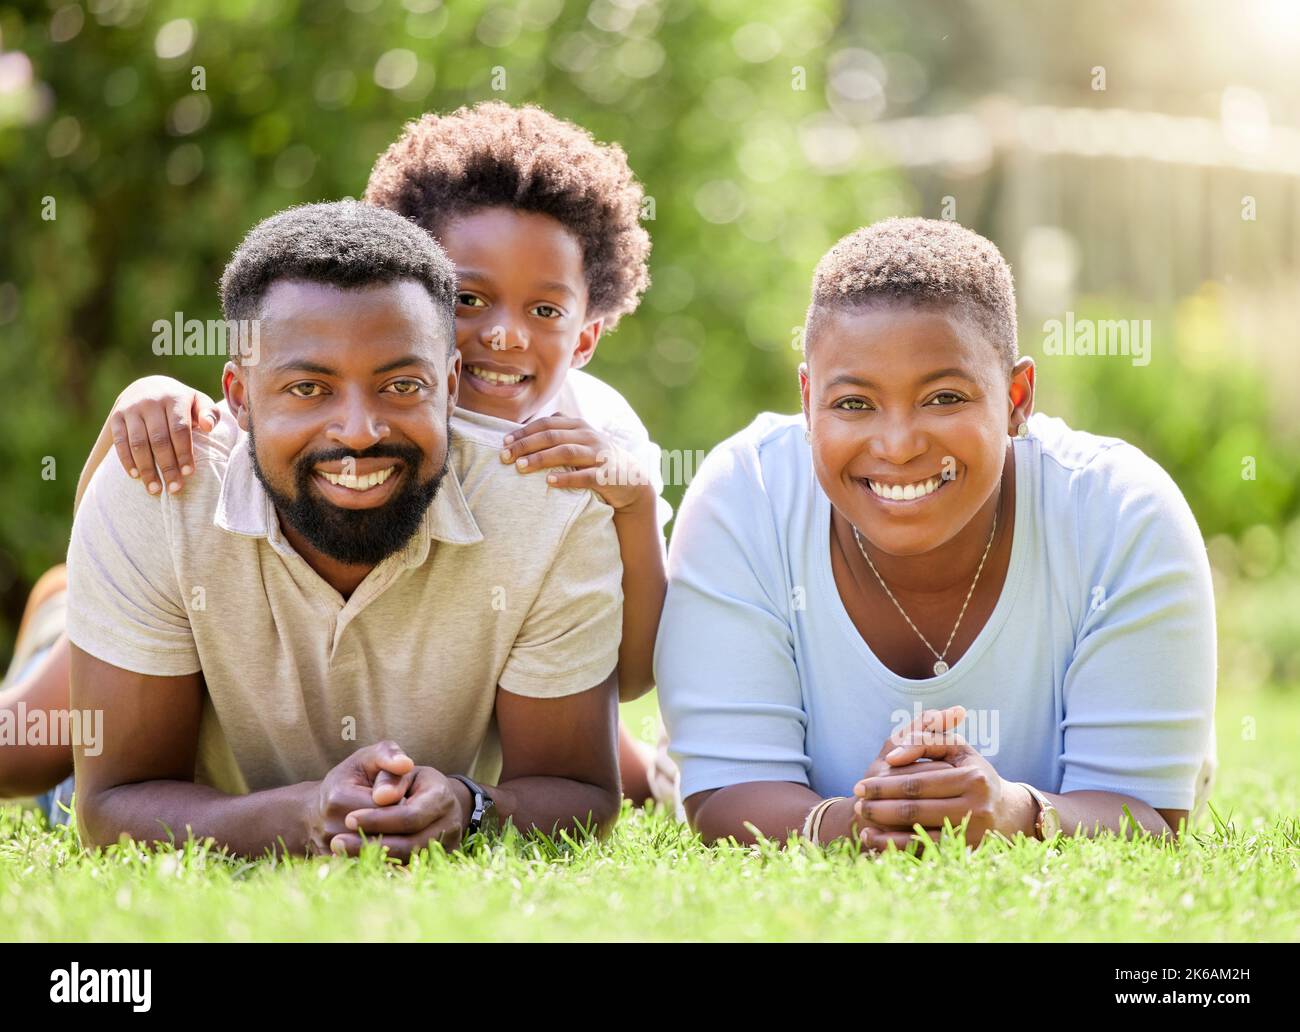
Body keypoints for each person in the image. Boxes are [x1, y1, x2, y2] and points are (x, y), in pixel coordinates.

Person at [1, 102, 678, 815]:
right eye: (470, 298)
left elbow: (622, 682)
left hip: (473, 656)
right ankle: (61, 618)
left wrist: (632, 506)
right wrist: (144, 395)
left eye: (544, 311)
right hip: (218, 674)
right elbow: (142, 505)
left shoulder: (588, 442)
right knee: (33, 745)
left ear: (584, 335)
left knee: (612, 764)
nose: (503, 337)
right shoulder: (316, 392)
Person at [61, 200, 625, 858]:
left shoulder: (550, 508)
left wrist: (473, 809)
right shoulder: (159, 484)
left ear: (448, 386)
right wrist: (301, 817)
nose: (359, 431)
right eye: (308, 389)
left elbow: (577, 790)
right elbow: (111, 804)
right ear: (239, 398)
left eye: (401, 385)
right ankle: (52, 613)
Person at [654, 217, 1217, 851]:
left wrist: (1016, 813)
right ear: (807, 400)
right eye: (854, 404)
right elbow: (725, 793)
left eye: (944, 397)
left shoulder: (1120, 512)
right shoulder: (747, 493)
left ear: (1016, 398)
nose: (897, 446)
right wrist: (852, 823)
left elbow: (1146, 816)